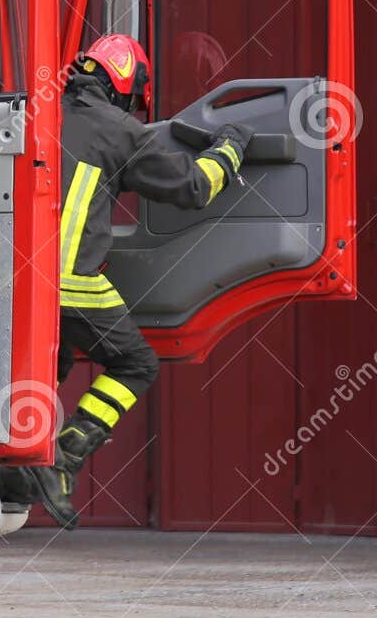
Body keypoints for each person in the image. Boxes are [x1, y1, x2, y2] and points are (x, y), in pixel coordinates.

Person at [18, 33, 254, 528]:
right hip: (67, 281)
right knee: (135, 363)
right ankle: (65, 454)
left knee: (50, 355)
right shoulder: (122, 131)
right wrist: (232, 146)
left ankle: (20, 458)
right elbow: (194, 186)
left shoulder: (37, 111)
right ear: (126, 86)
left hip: (14, 282)